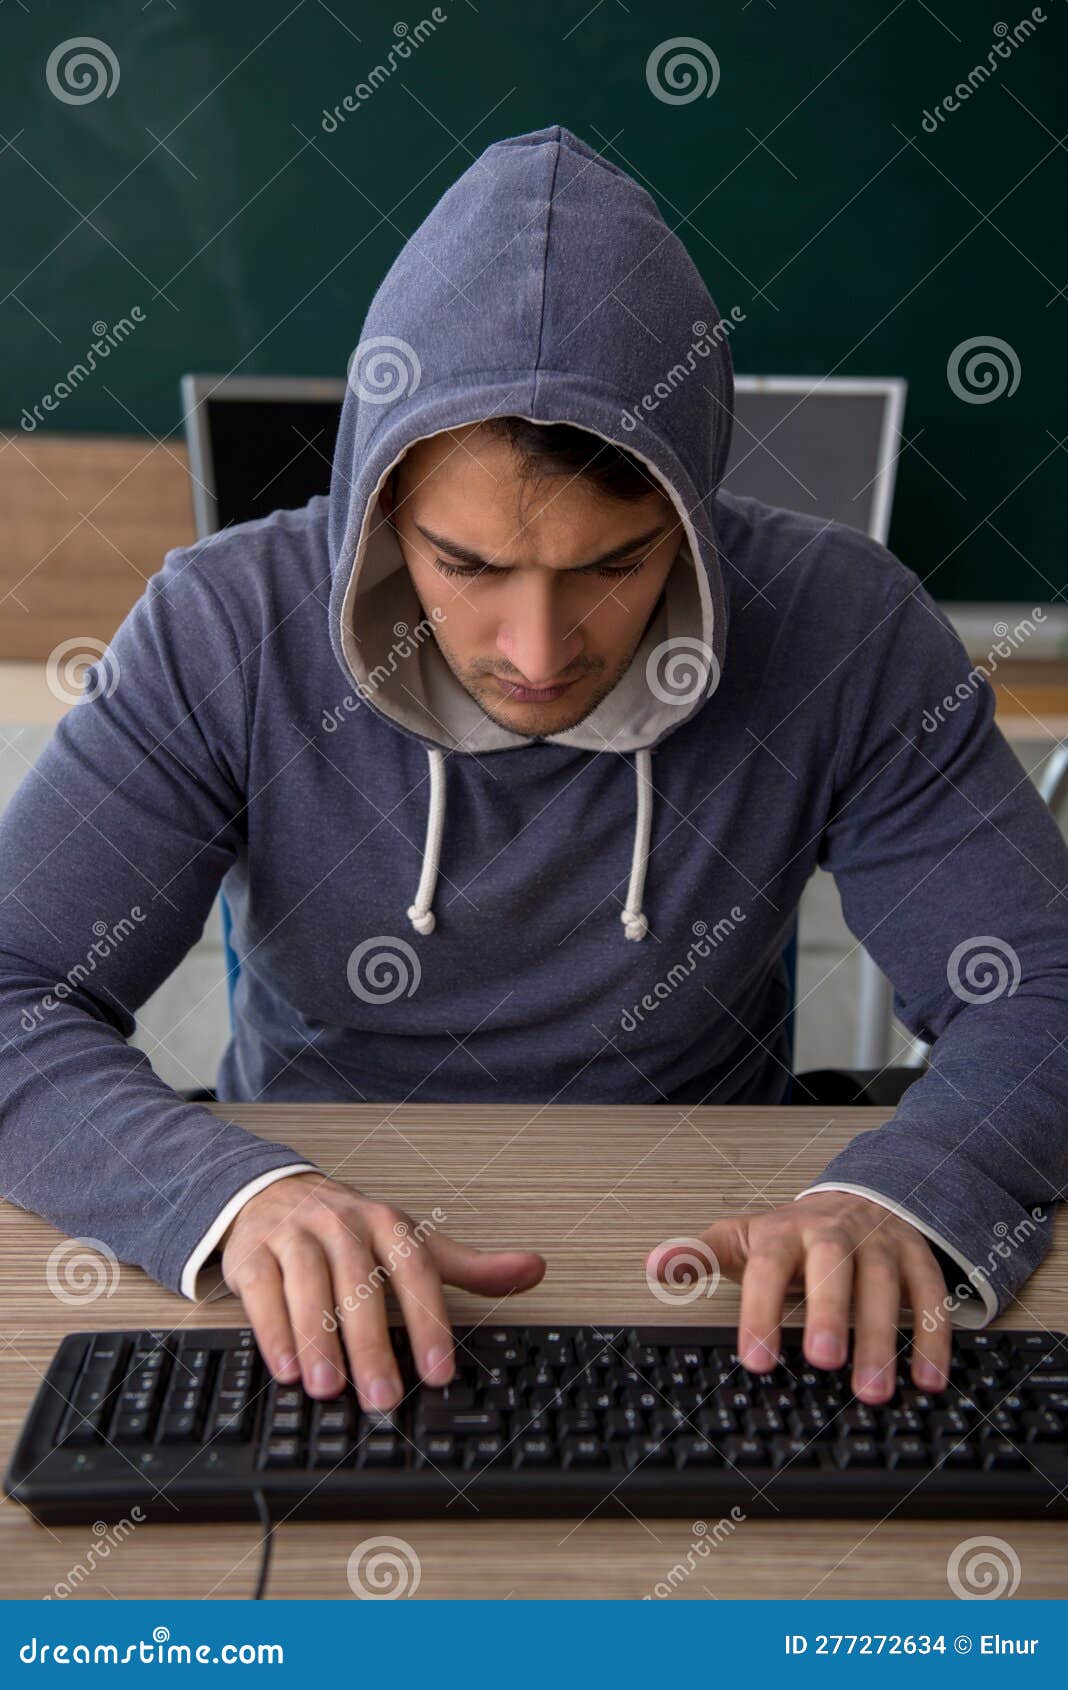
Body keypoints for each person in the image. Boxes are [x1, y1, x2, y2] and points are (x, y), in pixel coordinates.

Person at [1, 125, 1065, 1421]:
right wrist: (228, 1197)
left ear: (694, 511)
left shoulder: (844, 625)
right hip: (311, 1252)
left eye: (615, 565)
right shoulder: (227, 629)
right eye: (467, 565)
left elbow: (1040, 990)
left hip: (716, 1274)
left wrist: (915, 1185)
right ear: (380, 506)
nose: (538, 652)